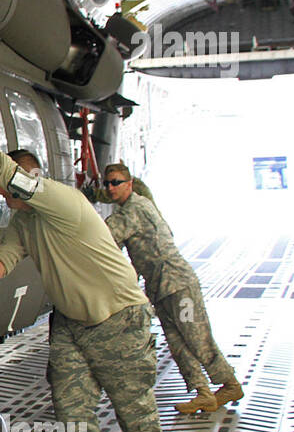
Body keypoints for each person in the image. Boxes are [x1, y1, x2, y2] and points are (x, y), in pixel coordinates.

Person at [0, 107, 162, 432]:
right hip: (71, 320)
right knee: (70, 400)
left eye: (6, 188)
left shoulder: (63, 201)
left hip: (117, 316)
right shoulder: (24, 221)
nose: (0, 193)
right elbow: (7, 255)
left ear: (28, 182)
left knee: (131, 398)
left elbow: (6, 173)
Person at [103, 163, 244, 414]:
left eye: (116, 182)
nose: (110, 188)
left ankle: (230, 383)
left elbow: (103, 237)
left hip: (178, 286)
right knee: (177, 342)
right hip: (161, 288)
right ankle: (202, 392)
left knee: (196, 337)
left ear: (129, 184)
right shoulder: (143, 206)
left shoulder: (132, 212)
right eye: (107, 184)